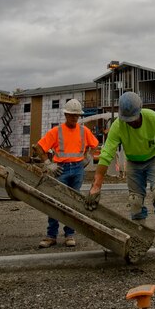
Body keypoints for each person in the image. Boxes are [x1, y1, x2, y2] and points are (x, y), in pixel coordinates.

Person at [84, 91, 155, 249]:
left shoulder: (154, 119)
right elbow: (107, 154)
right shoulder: (118, 125)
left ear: (140, 110)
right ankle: (139, 237)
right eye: (127, 120)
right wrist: (96, 185)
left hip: (154, 159)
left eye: (133, 119)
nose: (131, 123)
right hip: (133, 163)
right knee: (135, 200)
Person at [33, 99, 98, 248]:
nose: (74, 118)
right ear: (66, 115)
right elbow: (39, 147)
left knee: (73, 202)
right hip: (60, 169)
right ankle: (51, 236)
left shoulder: (84, 131)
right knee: (55, 201)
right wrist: (48, 163)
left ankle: (70, 234)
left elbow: (94, 144)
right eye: (72, 115)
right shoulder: (57, 131)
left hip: (77, 169)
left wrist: (88, 157)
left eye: (77, 115)